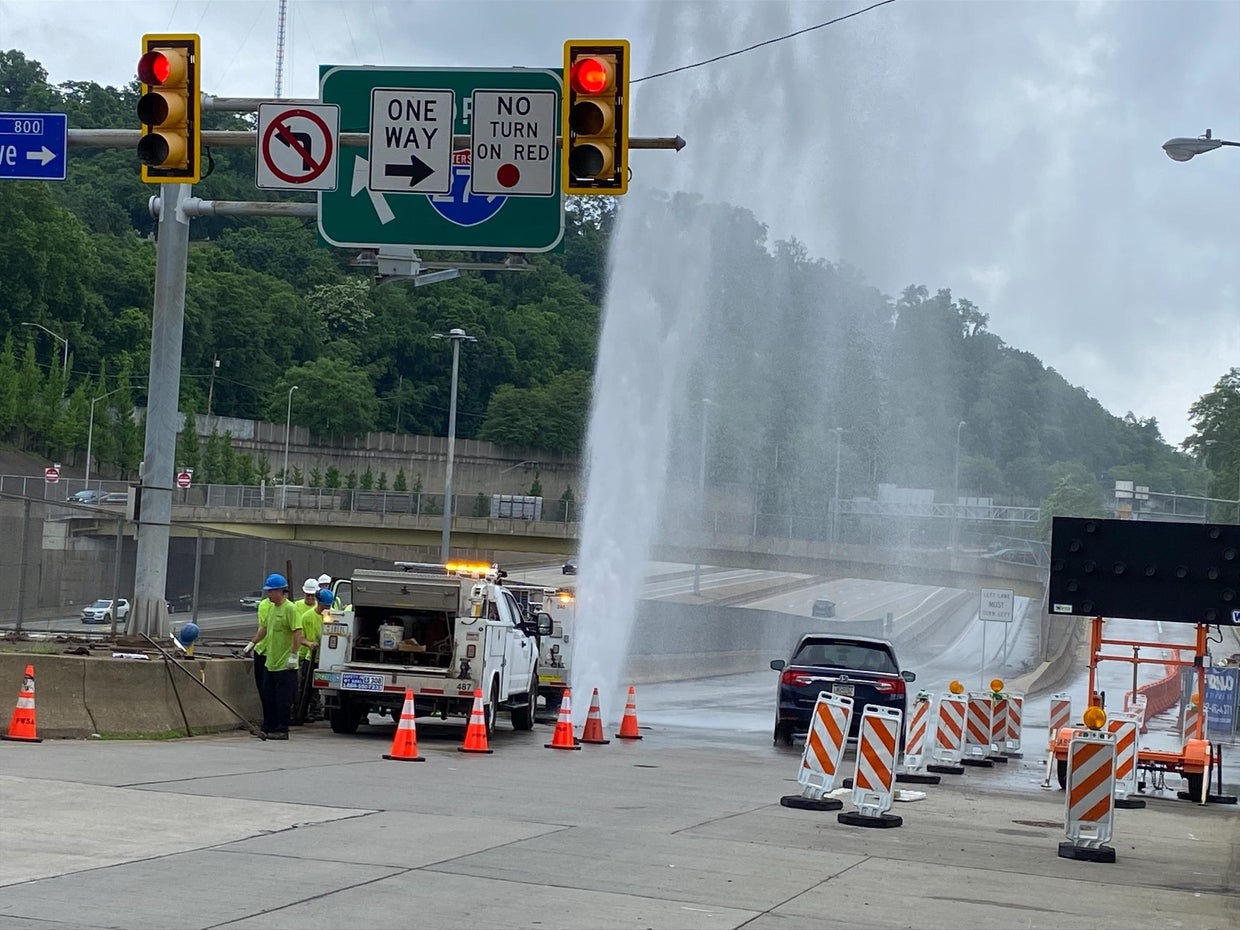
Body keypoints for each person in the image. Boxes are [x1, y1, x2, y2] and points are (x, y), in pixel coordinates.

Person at [244, 573, 305, 740]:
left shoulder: (290, 609)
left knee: (282, 698)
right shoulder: (271, 608)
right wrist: (252, 643)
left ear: (280, 591)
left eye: (271, 591)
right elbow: (264, 628)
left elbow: (297, 633)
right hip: (270, 661)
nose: (268, 594)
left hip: (285, 664)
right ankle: (268, 726)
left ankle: (281, 729)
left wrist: (293, 655)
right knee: (268, 695)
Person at [295, 587, 333, 725]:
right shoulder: (307, 617)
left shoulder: (331, 616)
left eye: (328, 606)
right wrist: (309, 644)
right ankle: (301, 714)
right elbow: (300, 637)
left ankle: (320, 712)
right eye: (324, 605)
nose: (326, 608)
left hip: (327, 659)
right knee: (306, 688)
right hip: (310, 659)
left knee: (323, 691)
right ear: (318, 602)